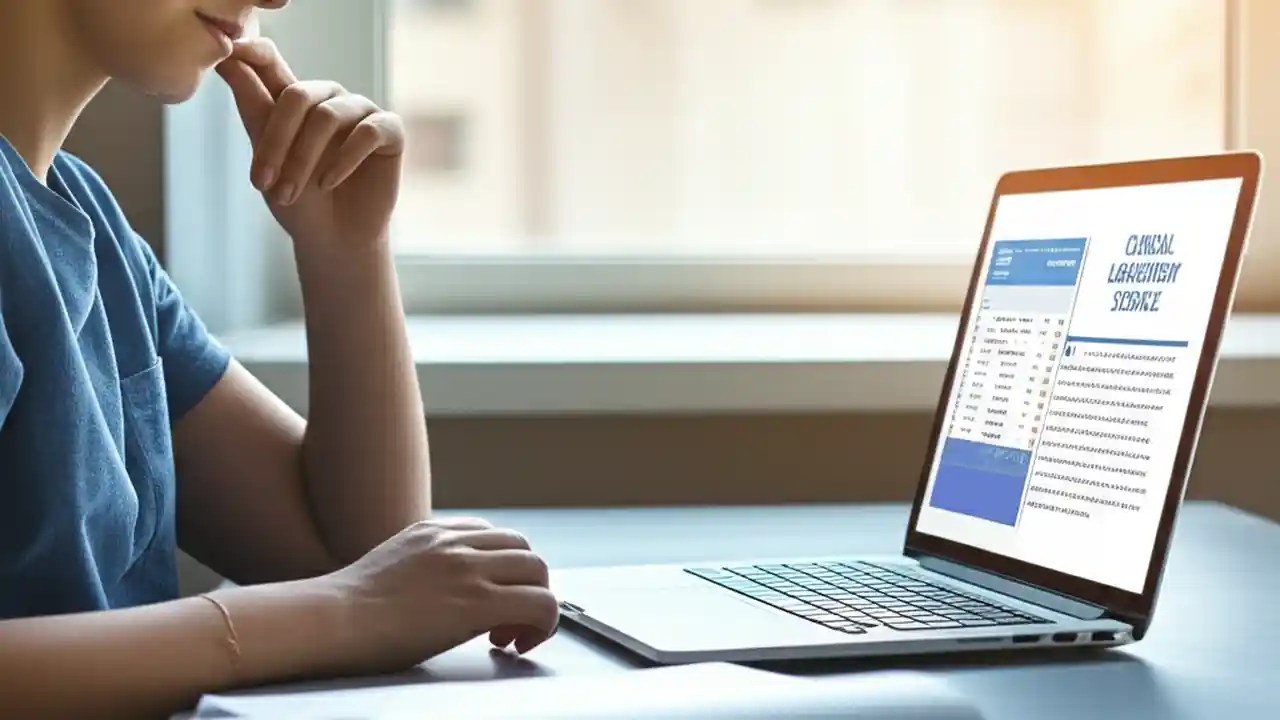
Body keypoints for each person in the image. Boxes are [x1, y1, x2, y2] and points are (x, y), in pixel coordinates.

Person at [0, 1, 559, 717]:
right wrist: (342, 613)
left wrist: (347, 254)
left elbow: (356, 554)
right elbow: (359, 592)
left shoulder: (91, 224)